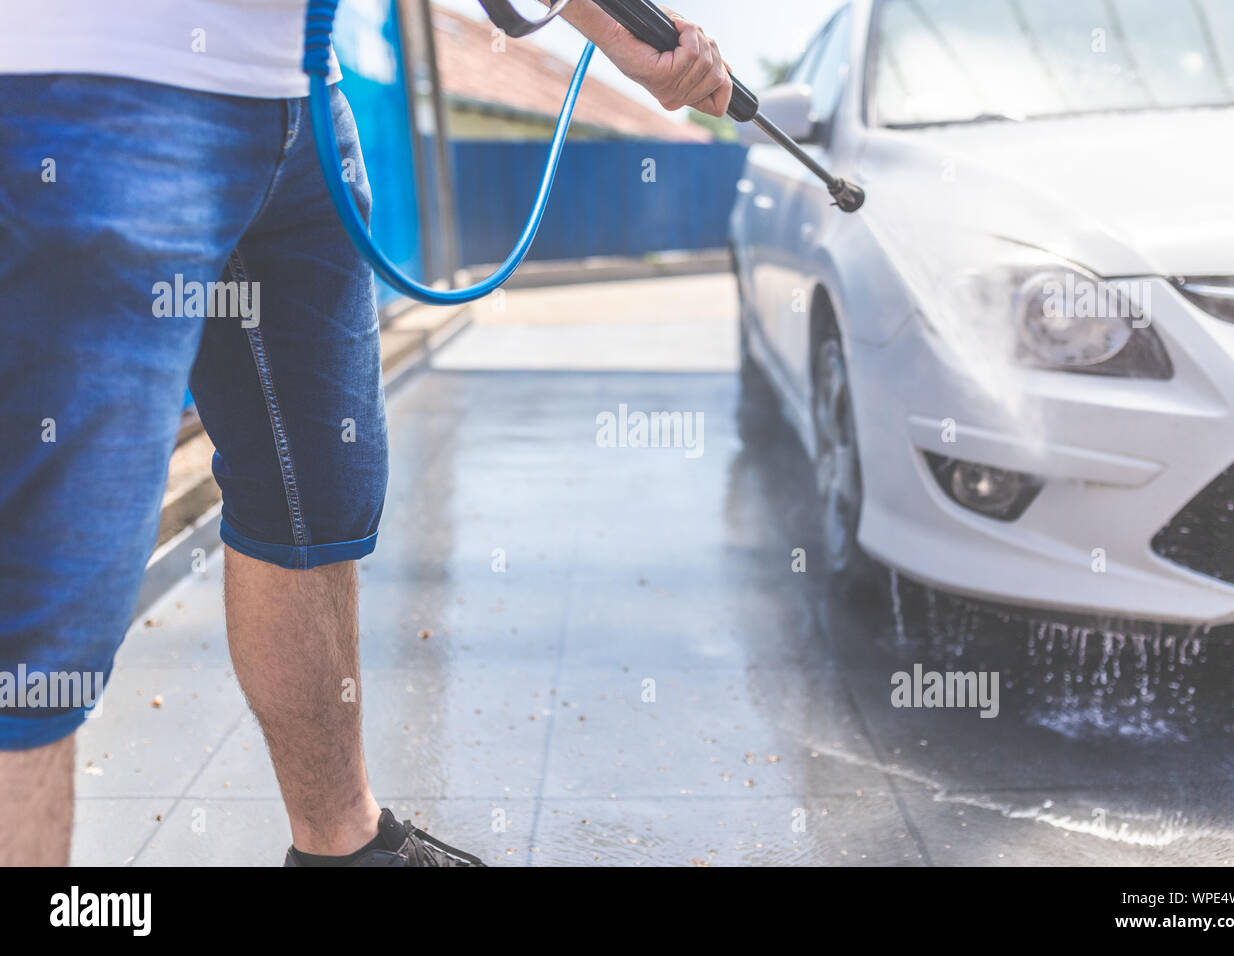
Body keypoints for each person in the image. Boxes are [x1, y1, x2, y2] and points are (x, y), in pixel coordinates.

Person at [0, 0, 732, 867]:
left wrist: (623, 36)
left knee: (311, 496)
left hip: (299, 102)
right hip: (98, 81)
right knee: (44, 598)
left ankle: (344, 847)